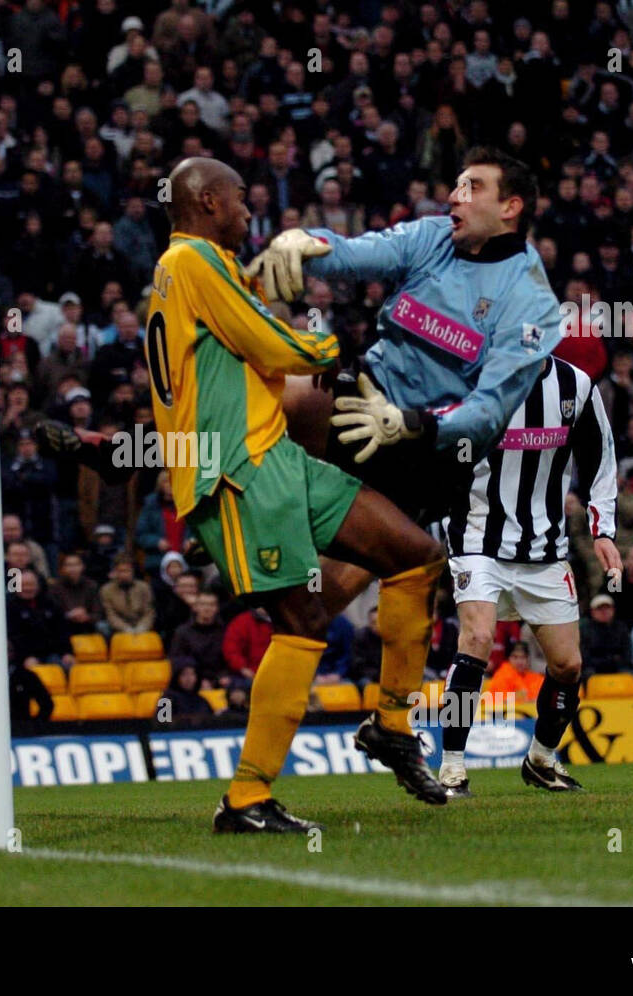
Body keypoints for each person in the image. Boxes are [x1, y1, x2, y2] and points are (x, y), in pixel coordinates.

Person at [147, 158, 446, 833]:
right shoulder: (191, 259)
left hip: (276, 455)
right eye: (238, 199)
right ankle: (246, 799)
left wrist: (260, 287)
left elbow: (241, 338)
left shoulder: (195, 270)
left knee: (416, 557)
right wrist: (328, 346)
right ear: (205, 200)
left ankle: (392, 726)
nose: (247, 211)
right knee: (304, 622)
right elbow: (270, 344)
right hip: (237, 468)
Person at [250, 147, 562, 792]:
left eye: (472, 187)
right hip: (361, 403)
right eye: (455, 184)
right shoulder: (432, 237)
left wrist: (413, 422)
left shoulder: (531, 303)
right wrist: (304, 243)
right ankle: (219, 487)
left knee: (314, 607)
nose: (454, 196)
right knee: (289, 393)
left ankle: (385, 728)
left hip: (426, 452)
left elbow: (490, 410)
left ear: (511, 207)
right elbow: (353, 254)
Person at [437, 354, 621, 796]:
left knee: (567, 664)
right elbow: (438, 445)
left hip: (545, 547)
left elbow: (600, 456)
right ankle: (452, 766)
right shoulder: (476, 381)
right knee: (477, 639)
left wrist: (602, 529)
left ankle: (541, 758)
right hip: (477, 536)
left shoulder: (576, 385)